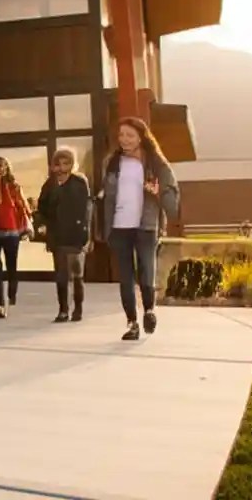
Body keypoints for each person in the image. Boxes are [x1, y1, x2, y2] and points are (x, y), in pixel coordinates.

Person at [99, 117, 180, 341]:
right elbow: (107, 198)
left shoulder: (155, 163)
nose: (124, 139)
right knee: (125, 278)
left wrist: (157, 192)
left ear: (141, 138)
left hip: (146, 225)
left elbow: (171, 194)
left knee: (146, 272)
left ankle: (149, 310)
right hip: (119, 226)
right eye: (121, 135)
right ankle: (132, 323)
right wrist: (105, 228)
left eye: (130, 135)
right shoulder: (111, 162)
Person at [35, 147, 93, 323]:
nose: (61, 167)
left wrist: (87, 232)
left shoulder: (79, 182)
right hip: (57, 234)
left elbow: (87, 209)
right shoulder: (50, 184)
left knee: (77, 273)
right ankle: (63, 310)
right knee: (61, 275)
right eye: (58, 164)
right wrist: (41, 224)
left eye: (66, 163)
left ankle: (78, 309)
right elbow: (41, 208)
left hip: (76, 234)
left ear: (72, 164)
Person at [0, 156, 32, 319]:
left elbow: (22, 206)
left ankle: (12, 291)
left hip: (11, 232)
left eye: (2, 166)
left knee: (11, 266)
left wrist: (26, 225)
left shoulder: (13, 186)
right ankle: (0, 303)